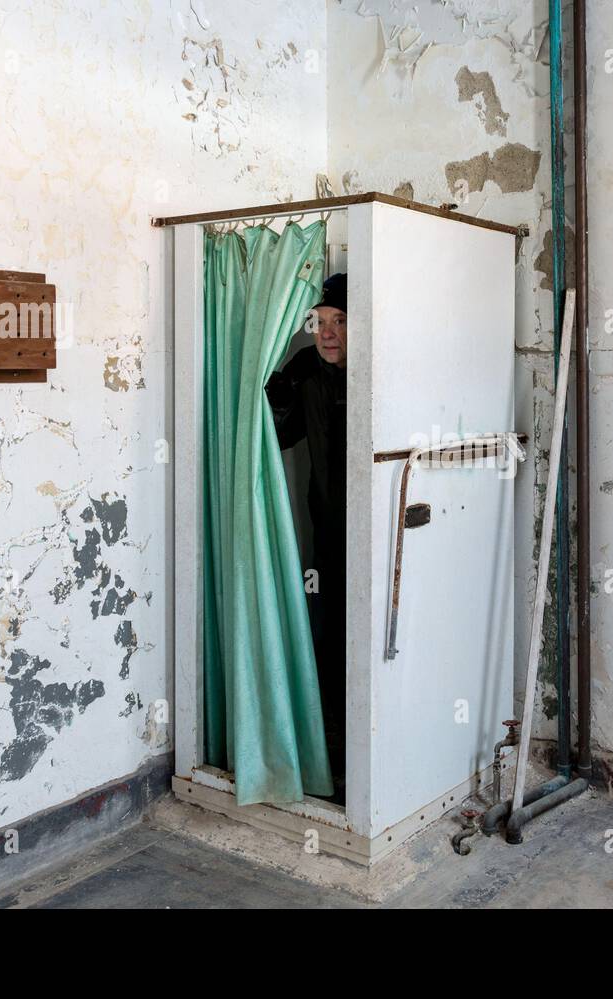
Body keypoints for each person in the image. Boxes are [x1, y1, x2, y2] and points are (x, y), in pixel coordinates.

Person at [265, 273, 347, 801]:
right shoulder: (311, 371)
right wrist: (276, 387)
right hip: (329, 529)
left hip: (382, 526)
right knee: (334, 631)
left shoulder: (381, 373)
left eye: (340, 321)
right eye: (320, 322)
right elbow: (285, 434)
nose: (328, 333)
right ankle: (333, 753)